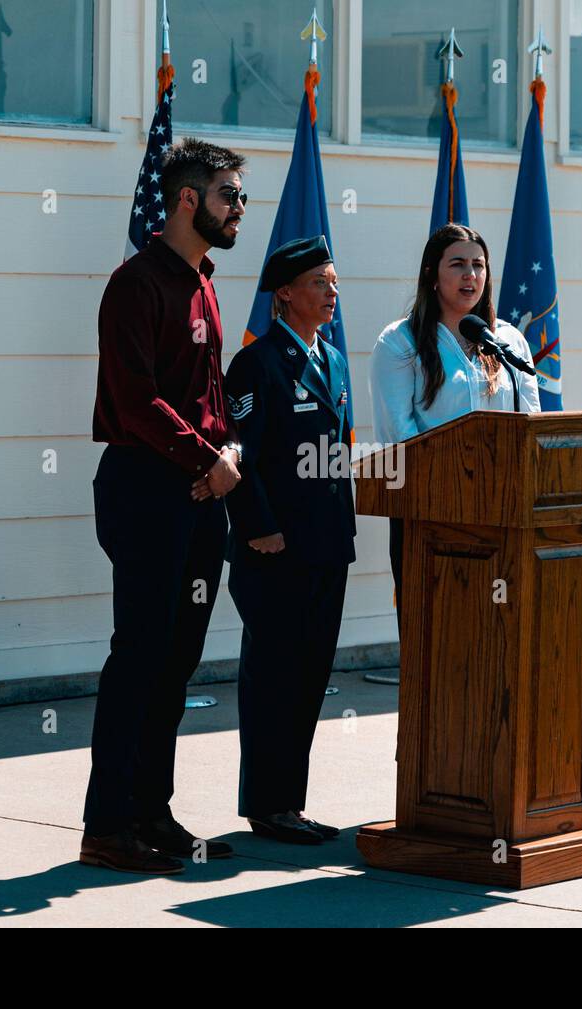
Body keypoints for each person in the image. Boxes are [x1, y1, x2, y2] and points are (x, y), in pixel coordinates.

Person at [80, 137, 248, 874]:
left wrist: (231, 452)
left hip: (202, 492)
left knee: (176, 663)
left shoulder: (205, 282)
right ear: (188, 200)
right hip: (147, 489)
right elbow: (135, 399)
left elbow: (211, 395)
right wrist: (206, 460)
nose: (239, 208)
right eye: (228, 196)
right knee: (139, 656)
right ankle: (106, 825)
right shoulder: (136, 284)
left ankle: (152, 809)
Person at [223, 235, 355, 845]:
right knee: (274, 676)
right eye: (319, 284)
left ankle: (290, 804)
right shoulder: (256, 364)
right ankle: (267, 805)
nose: (332, 293)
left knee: (308, 677)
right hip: (275, 550)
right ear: (285, 294)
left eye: (332, 282)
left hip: (327, 546)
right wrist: (259, 529)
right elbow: (241, 458)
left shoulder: (331, 357)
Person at [368, 222, 541, 631]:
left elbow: (533, 423)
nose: (471, 276)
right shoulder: (399, 342)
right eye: (458, 264)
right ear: (432, 273)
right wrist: (458, 481)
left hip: (504, 509)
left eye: (479, 265)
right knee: (436, 632)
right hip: (431, 514)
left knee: (495, 634)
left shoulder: (509, 340)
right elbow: (400, 437)